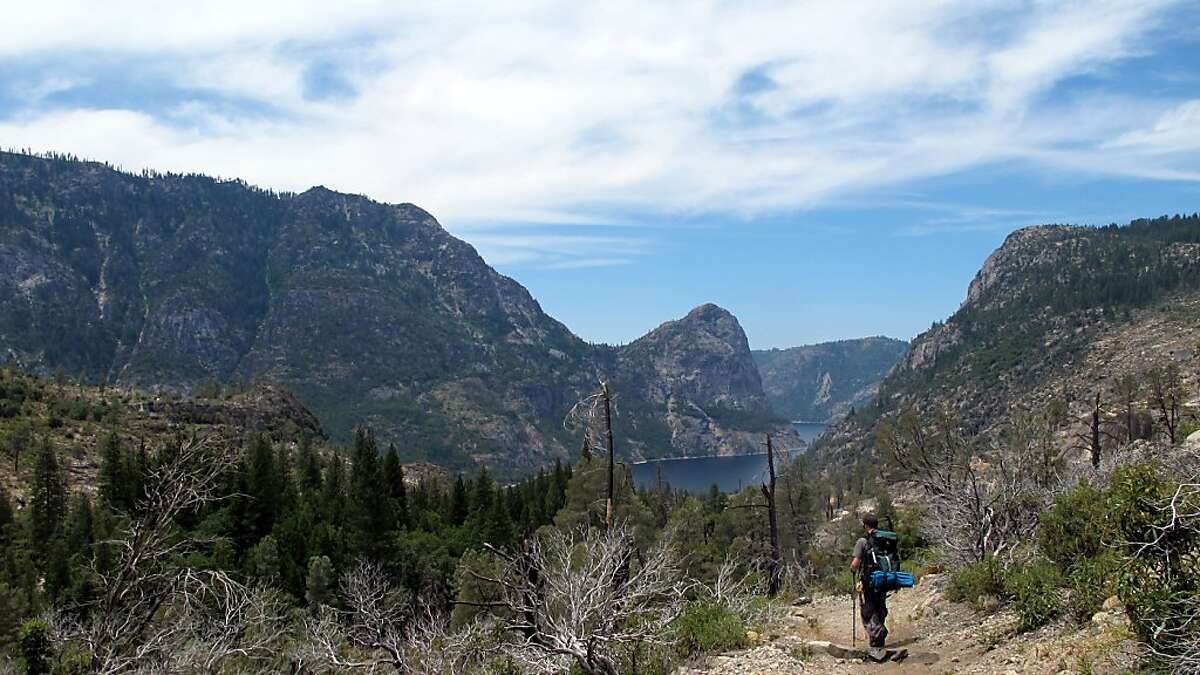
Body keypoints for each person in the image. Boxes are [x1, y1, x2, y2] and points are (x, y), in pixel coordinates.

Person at [851, 514, 888, 659]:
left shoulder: (863, 541)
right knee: (880, 606)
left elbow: (855, 564)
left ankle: (877, 641)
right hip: (885, 579)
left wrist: (852, 570)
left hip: (870, 581)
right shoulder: (884, 540)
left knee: (868, 610)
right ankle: (879, 637)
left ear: (865, 526)